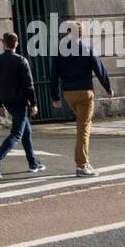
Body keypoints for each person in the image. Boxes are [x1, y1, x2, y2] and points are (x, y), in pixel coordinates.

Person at [51, 21, 114, 176]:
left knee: (81, 125)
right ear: (80, 32)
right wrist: (108, 88)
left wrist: (55, 96)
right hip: (84, 91)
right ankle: (81, 165)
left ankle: (84, 162)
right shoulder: (86, 47)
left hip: (68, 93)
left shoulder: (59, 49)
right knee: (83, 128)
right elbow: (99, 69)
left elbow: (53, 74)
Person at [0, 31, 46, 179]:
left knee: (27, 132)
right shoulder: (21, 60)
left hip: (7, 102)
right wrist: (33, 104)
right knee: (16, 134)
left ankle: (33, 163)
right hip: (20, 102)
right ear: (17, 44)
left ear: (3, 43)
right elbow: (29, 86)